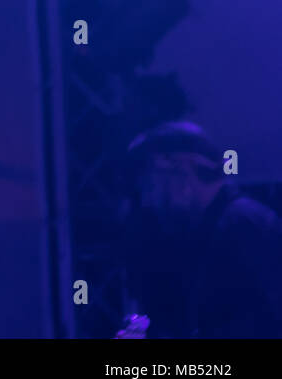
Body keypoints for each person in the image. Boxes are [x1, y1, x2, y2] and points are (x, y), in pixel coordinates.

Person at [120, 120, 282, 338]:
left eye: (151, 183)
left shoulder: (245, 226)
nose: (148, 199)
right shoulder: (211, 227)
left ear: (181, 170)